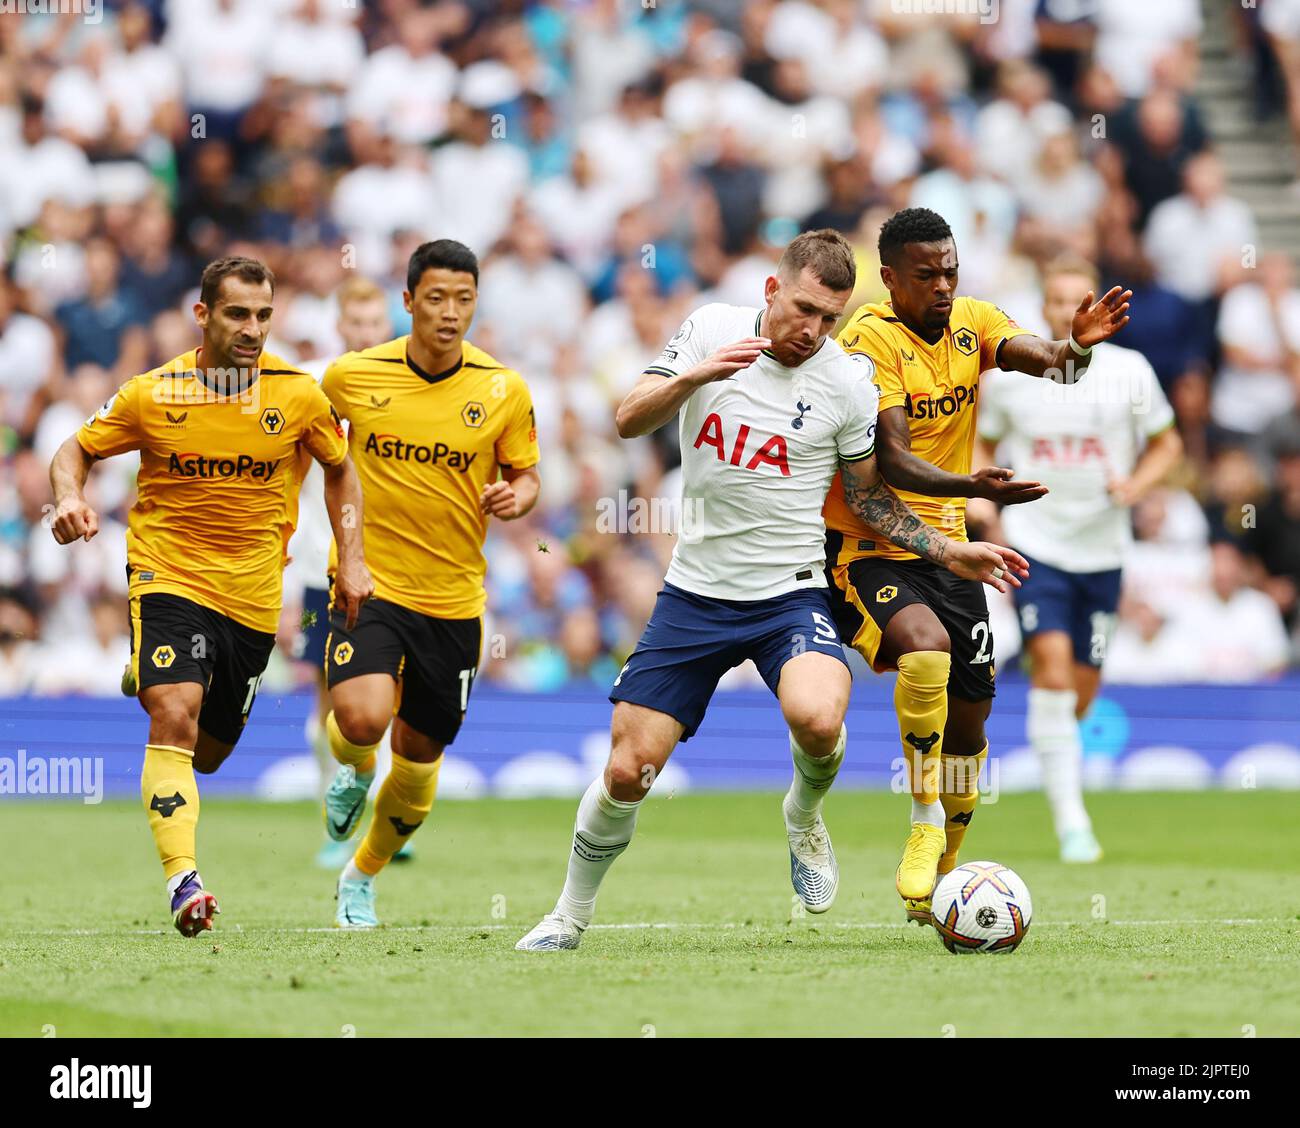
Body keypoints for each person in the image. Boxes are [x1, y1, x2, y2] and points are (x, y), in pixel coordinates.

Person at [515, 229, 1026, 951]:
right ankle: (568, 917)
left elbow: (871, 501)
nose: (814, 331)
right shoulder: (710, 328)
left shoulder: (847, 382)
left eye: (831, 318)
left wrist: (950, 550)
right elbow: (630, 419)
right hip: (695, 592)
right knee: (629, 770)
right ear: (771, 291)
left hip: (792, 593)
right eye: (805, 310)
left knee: (819, 719)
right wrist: (697, 379)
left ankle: (803, 814)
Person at [47, 256, 373, 936]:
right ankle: (183, 882)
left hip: (253, 596)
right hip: (168, 573)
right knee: (174, 713)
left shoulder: (299, 395)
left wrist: (352, 559)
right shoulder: (152, 393)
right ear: (203, 315)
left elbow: (342, 473)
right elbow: (74, 450)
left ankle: (152, 668)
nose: (252, 328)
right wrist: (70, 498)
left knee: (209, 752)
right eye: (237, 314)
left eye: (263, 315)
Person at [823, 208, 1132, 921]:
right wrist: (975, 485)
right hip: (872, 544)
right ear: (891, 276)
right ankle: (923, 817)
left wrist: (1074, 349)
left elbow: (1048, 361)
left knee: (973, 721)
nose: (942, 284)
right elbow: (892, 457)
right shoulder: (869, 337)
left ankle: (946, 877)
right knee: (924, 652)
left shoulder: (973, 321)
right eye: (926, 273)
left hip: (955, 553)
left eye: (951, 270)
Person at [318, 240, 541, 928]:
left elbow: (528, 474)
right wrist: (346, 554)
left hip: (453, 600)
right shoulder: (350, 377)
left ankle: (361, 876)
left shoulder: (503, 388)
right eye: (437, 298)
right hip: (371, 582)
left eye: (465, 299)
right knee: (362, 719)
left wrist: (519, 497)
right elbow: (326, 463)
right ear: (408, 301)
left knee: (418, 760)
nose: (450, 313)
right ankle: (353, 770)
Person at [976, 257, 1183, 863]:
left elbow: (1168, 442)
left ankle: (1059, 781)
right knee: (1052, 674)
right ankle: (1072, 823)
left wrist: (1137, 487)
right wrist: (988, 503)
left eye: (1080, 297)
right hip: (1037, 542)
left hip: (1104, 548)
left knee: (1080, 697)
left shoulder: (1130, 372)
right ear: (1043, 309)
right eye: (1059, 299)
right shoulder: (1014, 376)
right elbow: (985, 440)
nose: (1071, 309)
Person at [287, 276, 395, 870]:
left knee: (383, 692)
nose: (365, 334)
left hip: (385, 565)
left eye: (375, 324)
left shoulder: (402, 383)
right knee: (327, 694)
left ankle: (376, 814)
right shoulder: (309, 383)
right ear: (340, 327)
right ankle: (333, 823)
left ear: (387, 325)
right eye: (355, 325)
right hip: (314, 567)